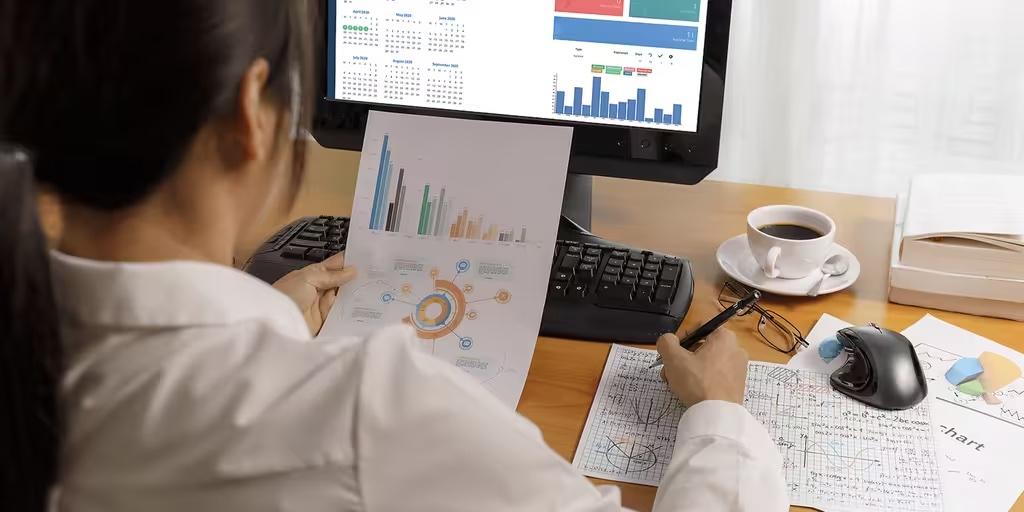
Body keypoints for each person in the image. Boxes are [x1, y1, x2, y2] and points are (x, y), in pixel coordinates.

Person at [0, 1, 788, 511]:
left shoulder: (35, 347)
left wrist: (271, 319)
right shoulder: (370, 413)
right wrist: (721, 418)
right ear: (251, 111)